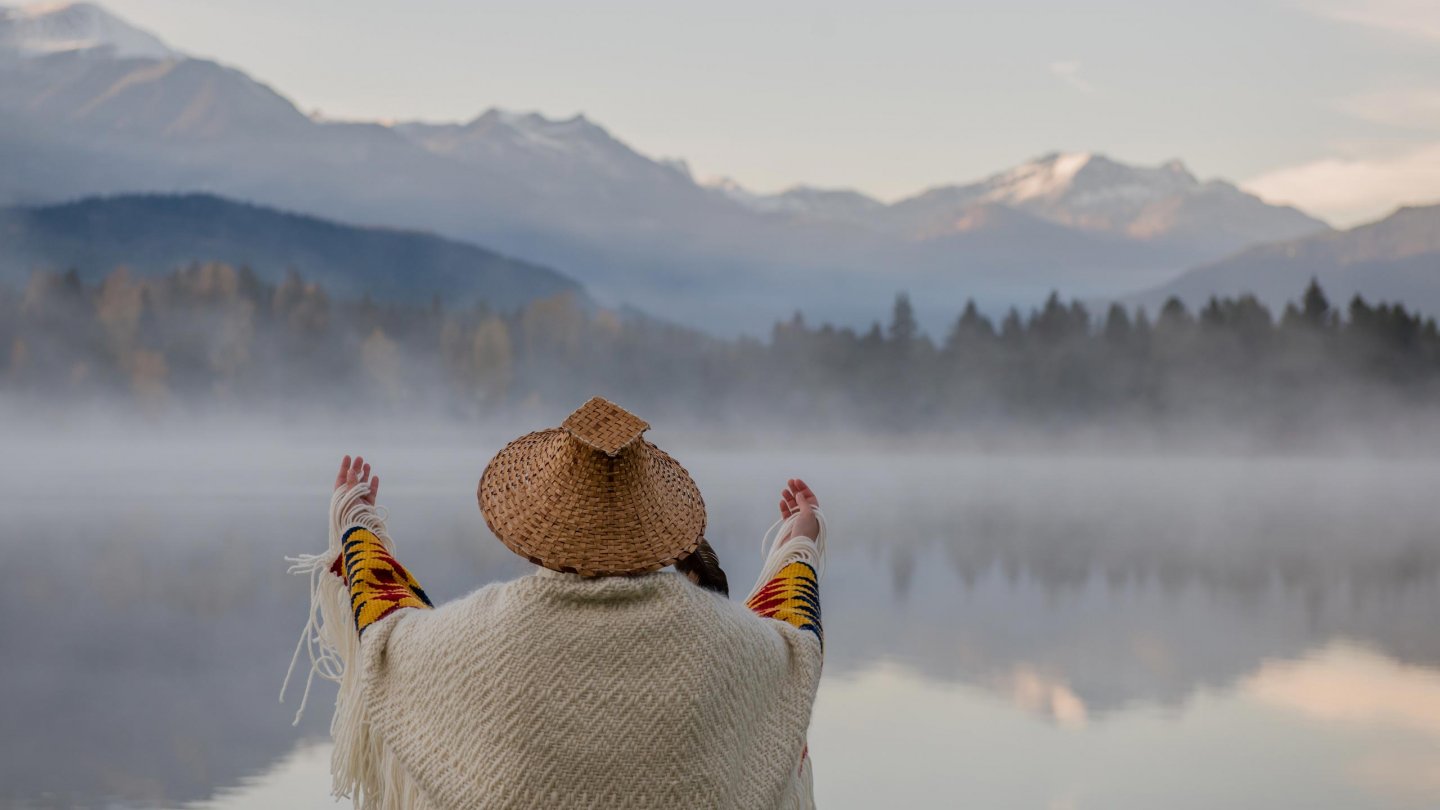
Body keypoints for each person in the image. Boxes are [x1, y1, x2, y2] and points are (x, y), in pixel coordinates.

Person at [284, 396, 825, 810]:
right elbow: (790, 645)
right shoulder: (719, 641)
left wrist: (357, 528)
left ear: (541, 523)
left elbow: (390, 631)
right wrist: (799, 542)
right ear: (656, 526)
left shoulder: (486, 635)